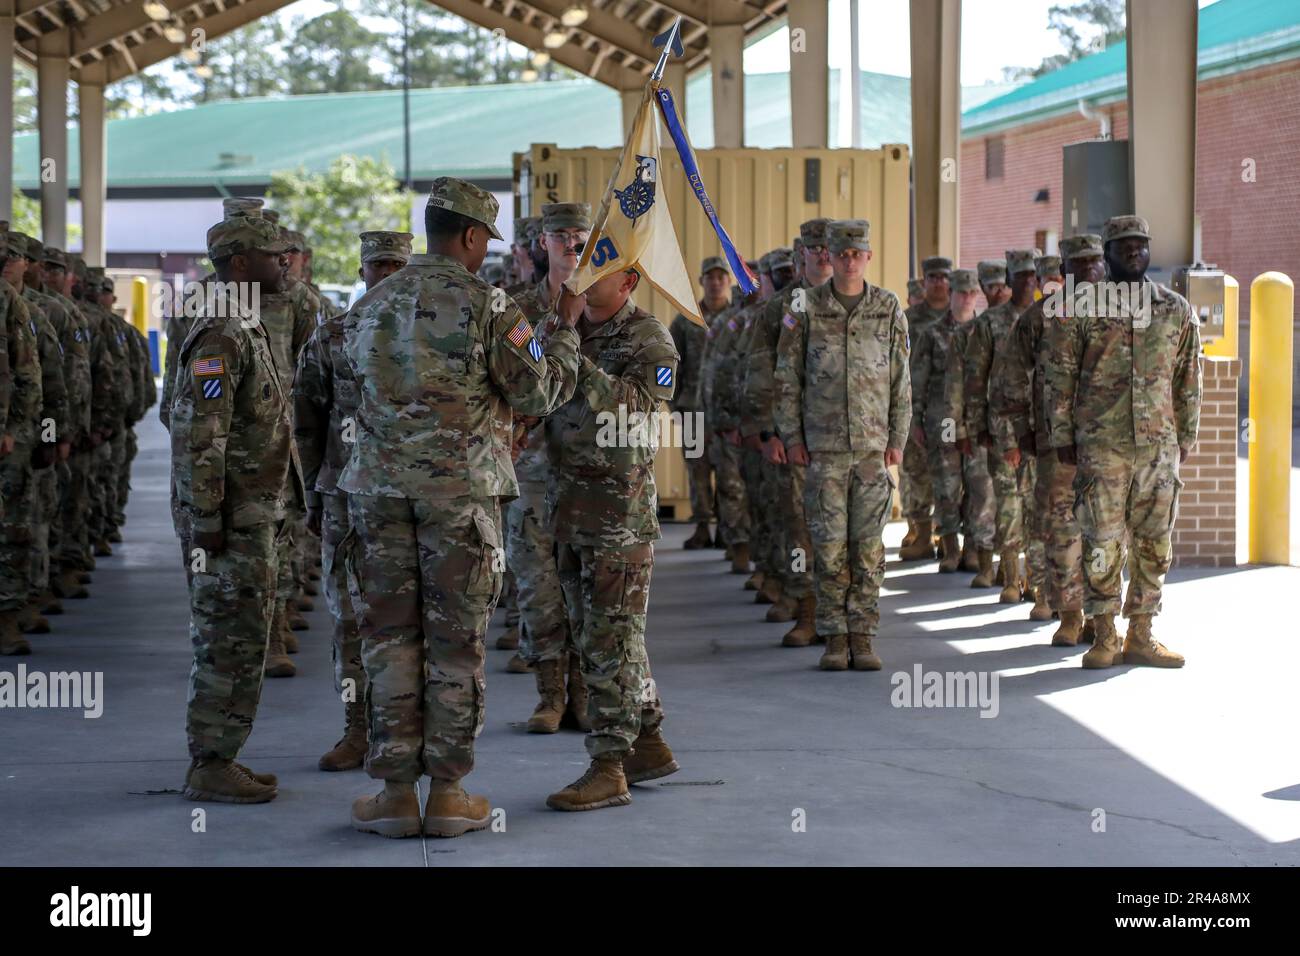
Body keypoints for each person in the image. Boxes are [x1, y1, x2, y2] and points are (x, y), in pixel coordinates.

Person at [338, 177, 579, 837]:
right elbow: (538, 392)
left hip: (378, 495)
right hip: (460, 499)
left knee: (388, 641)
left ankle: (392, 793)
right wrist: (563, 333)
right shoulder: (492, 304)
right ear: (472, 237)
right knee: (455, 644)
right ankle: (447, 793)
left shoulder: (370, 304)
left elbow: (347, 385)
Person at [543, 267, 681, 811]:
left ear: (626, 281)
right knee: (604, 636)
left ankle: (608, 766)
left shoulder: (650, 339)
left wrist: (572, 352)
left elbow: (641, 415)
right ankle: (646, 740)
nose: (579, 277)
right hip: (569, 510)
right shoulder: (562, 327)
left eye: (595, 269)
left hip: (617, 518)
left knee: (609, 641)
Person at [171, 211, 297, 803]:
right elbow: (202, 431)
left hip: (249, 514)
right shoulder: (221, 330)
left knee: (244, 635)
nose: (285, 262)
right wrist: (205, 518)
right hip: (230, 519)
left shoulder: (243, 321)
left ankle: (222, 756)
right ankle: (211, 762)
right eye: (275, 255)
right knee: (227, 639)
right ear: (242, 263)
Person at [1045, 215, 1202, 668]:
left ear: (1149, 251)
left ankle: (1142, 633)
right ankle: (1104, 636)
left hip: (1158, 449)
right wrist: (1061, 435)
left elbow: (1188, 377)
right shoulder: (1080, 309)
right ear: (1107, 254)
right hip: (1102, 447)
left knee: (1155, 542)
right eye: (1123, 245)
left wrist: (1186, 435)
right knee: (1102, 542)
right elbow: (1059, 377)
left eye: (1140, 244)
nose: (1133, 251)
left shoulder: (1174, 309)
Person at [295, 229, 412, 771]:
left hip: (411, 500)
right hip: (345, 497)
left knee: (411, 620)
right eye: (378, 267)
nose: (386, 276)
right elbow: (307, 419)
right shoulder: (332, 335)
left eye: (396, 267)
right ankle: (356, 728)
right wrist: (312, 497)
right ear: (363, 271)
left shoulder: (428, 335)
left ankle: (406, 731)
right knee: (347, 619)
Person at [775, 220, 910, 671]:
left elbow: (900, 380)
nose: (849, 259)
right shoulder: (805, 306)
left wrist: (898, 438)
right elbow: (787, 377)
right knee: (829, 547)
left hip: (872, 450)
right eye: (842, 252)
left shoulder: (887, 307)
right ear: (829, 257)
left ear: (868, 257)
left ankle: (863, 635)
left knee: (868, 548)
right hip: (825, 449)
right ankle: (834, 638)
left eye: (858, 252)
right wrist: (792, 437)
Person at [507, 201, 593, 733]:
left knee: (585, 588)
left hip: (588, 470)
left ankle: (584, 692)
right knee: (538, 588)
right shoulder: (514, 308)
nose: (571, 243)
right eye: (561, 235)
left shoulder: (610, 303)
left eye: (580, 234)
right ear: (543, 244)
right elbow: (509, 377)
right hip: (532, 469)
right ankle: (548, 695)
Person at [995, 240, 1099, 645]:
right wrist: (1022, 430)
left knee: (1105, 534)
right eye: (1078, 263)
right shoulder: (1040, 318)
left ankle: (1101, 617)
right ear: (1065, 267)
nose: (1088, 269)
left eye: (1094, 261)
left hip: (1106, 447)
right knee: (1061, 532)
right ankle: (1070, 614)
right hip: (1055, 447)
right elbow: (1012, 376)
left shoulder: (1118, 313)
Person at [746, 219, 834, 645]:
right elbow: (760, 372)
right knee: (800, 529)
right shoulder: (780, 308)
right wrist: (768, 433)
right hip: (797, 438)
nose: (821, 255)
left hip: (848, 440)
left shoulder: (863, 303)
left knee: (846, 534)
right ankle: (806, 609)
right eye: (813, 248)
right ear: (801, 255)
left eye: (827, 248)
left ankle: (845, 618)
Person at [963, 249, 1042, 606]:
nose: (1027, 281)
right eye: (1020, 276)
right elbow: (975, 378)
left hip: (1044, 433)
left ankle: (1037, 582)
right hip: (1004, 429)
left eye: (1032, 276)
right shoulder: (991, 323)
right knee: (1008, 506)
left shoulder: (1051, 318)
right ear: (1009, 281)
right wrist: (975, 425)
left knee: (1039, 508)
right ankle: (1011, 578)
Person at [911, 268, 981, 573]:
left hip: (976, 418)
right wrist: (915, 418)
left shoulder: (984, 329)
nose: (965, 298)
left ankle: (975, 548)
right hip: (942, 420)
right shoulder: (932, 333)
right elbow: (918, 378)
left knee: (978, 486)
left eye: (971, 292)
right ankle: (951, 548)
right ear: (951, 294)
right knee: (946, 485)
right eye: (960, 292)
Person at [670, 256, 732, 550]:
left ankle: (726, 527)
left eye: (721, 277)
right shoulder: (685, 320)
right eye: (711, 277)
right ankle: (702, 526)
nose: (716, 282)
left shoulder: (737, 318)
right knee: (697, 469)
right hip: (693, 409)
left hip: (727, 410)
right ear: (701, 281)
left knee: (727, 469)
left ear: (728, 282)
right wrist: (676, 408)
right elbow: (672, 368)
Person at [898, 256, 951, 560]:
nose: (938, 282)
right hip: (914, 405)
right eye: (932, 277)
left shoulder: (960, 316)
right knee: (916, 471)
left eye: (943, 277)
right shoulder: (908, 318)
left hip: (949, 411)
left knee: (949, 477)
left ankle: (947, 537)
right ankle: (919, 532)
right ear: (924, 281)